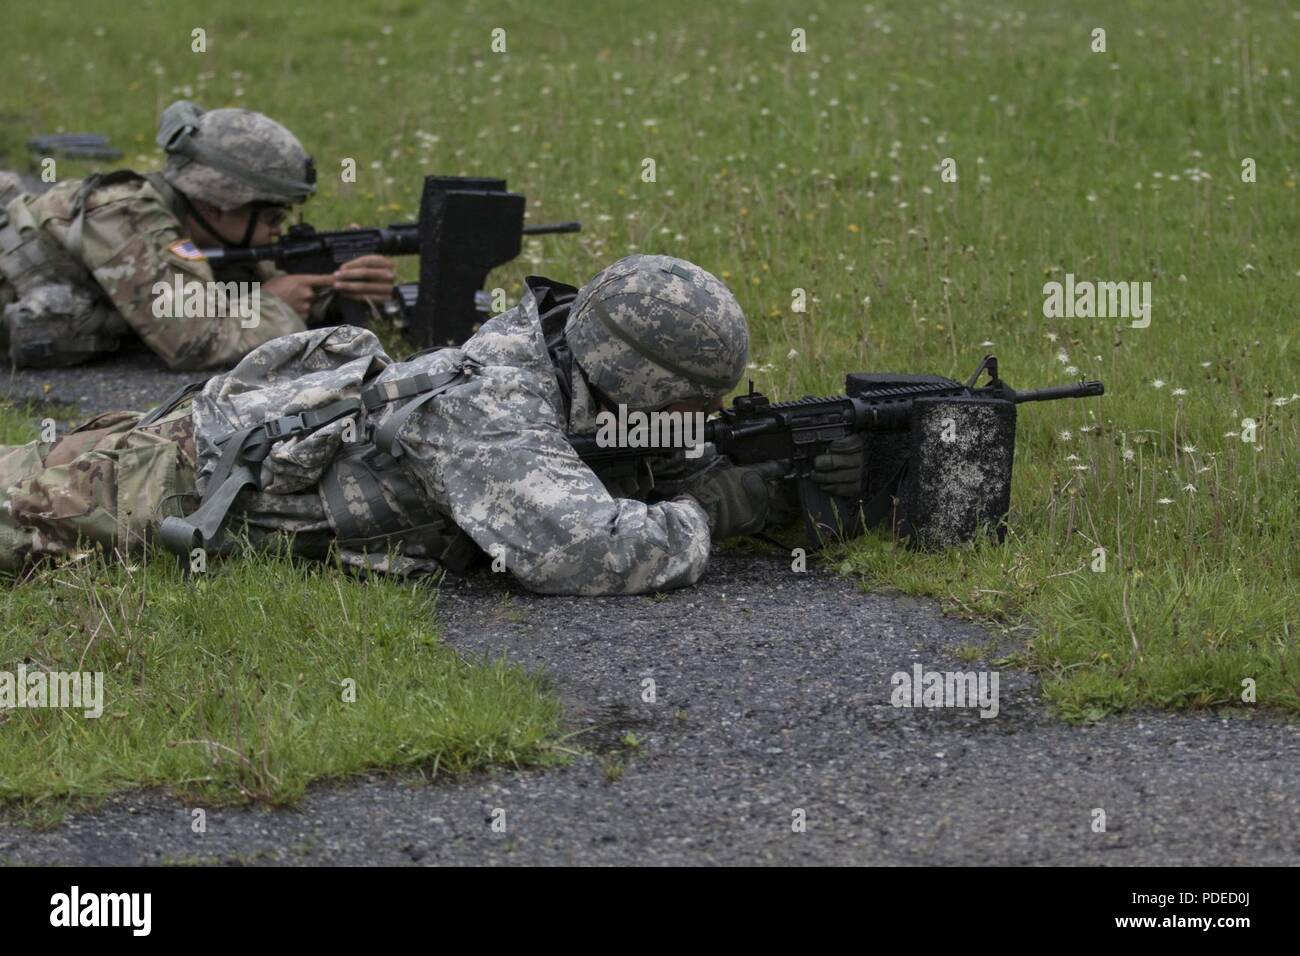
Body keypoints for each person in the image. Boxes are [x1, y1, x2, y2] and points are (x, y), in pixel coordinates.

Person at [0, 254, 864, 595]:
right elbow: (584, 554)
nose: (698, 424)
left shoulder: (557, 360)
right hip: (151, 484)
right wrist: (717, 509)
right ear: (631, 378)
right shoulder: (494, 405)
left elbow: (614, 460)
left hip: (198, 451)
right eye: (689, 407)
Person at [0, 100, 396, 370]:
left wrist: (340, 285)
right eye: (271, 212)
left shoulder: (204, 228)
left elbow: (253, 283)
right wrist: (275, 305)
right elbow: (192, 339)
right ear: (216, 203)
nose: (279, 226)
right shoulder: (124, 216)